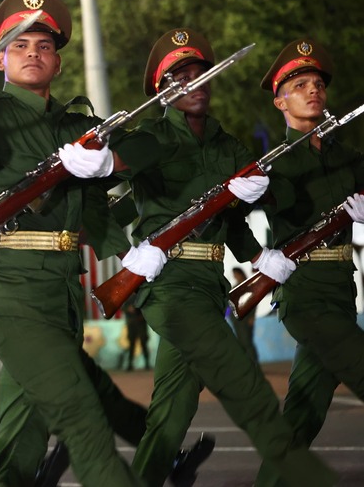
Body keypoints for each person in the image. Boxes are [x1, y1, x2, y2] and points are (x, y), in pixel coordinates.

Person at [0, 0, 165, 486]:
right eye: (20, 45)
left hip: (61, 291)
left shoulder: (76, 123)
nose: (32, 54)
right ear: (0, 58)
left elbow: (153, 146)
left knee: (23, 441)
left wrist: (110, 160)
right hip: (10, 291)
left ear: (58, 63)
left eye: (44, 46)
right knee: (83, 416)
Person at [119, 28, 337, 487]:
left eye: (202, 74)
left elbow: (244, 214)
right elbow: (99, 196)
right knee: (239, 379)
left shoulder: (227, 145)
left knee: (175, 403)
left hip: (208, 279)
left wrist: (260, 253)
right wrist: (124, 251)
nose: (195, 83)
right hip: (168, 279)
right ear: (163, 89)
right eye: (181, 77)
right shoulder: (147, 138)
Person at [253, 38, 364, 487]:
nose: (313, 89)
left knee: (303, 414)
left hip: (340, 289)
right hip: (304, 293)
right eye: (300, 85)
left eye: (317, 83)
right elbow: (225, 213)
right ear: (280, 101)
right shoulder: (270, 164)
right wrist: (259, 256)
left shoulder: (347, 158)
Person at [227, 266, 258, 362]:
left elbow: (253, 302)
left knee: (247, 341)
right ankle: (248, 363)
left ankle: (254, 364)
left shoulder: (248, 285)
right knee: (241, 341)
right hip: (237, 319)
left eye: (235, 274)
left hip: (246, 318)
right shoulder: (235, 287)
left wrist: (252, 317)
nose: (234, 276)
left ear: (240, 274)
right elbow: (229, 304)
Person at [124, 299, 151, 370]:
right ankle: (130, 364)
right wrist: (128, 309)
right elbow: (123, 307)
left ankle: (147, 363)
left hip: (141, 323)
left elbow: (147, 307)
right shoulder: (128, 296)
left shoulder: (140, 294)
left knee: (143, 343)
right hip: (132, 324)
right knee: (131, 345)